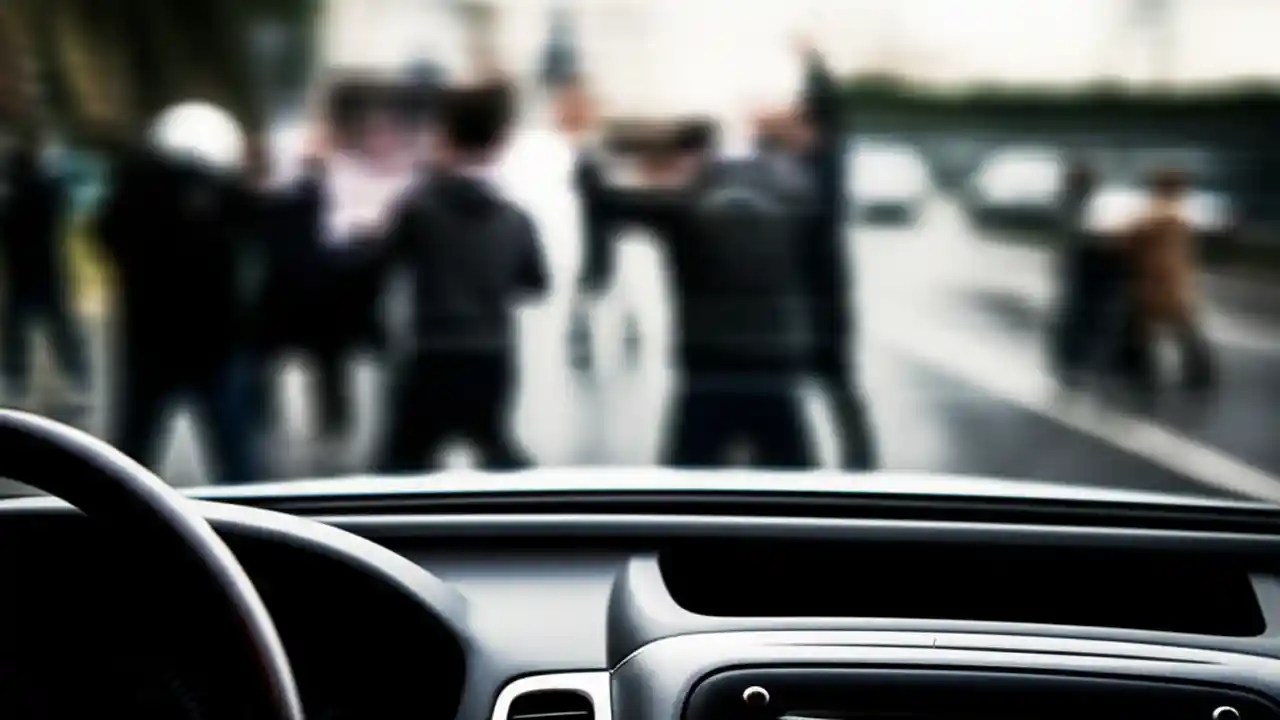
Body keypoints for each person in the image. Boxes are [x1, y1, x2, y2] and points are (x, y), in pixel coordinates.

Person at [576, 116, 820, 468]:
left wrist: (592, 149)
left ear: (684, 159)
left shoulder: (682, 206)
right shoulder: (788, 196)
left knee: (688, 485)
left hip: (709, 363)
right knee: (793, 482)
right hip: (777, 358)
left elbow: (605, 202)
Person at [377, 81, 548, 472]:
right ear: (500, 141)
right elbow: (536, 283)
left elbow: (380, 263)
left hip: (433, 351)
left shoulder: (418, 208)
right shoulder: (515, 216)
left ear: (445, 135)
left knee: (402, 467)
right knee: (494, 449)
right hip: (492, 352)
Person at [257, 78, 419, 472]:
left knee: (335, 363)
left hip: (348, 291)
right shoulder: (309, 163)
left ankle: (336, 434)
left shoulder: (376, 174)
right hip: (315, 289)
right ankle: (315, 433)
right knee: (320, 362)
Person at [94, 103, 261, 484]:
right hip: (211, 348)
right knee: (239, 465)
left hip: (155, 346)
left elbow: (106, 235)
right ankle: (257, 530)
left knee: (129, 465)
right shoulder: (223, 198)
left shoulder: (135, 195)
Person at [794, 40, 877, 470]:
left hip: (820, 293)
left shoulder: (822, 163)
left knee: (833, 383)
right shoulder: (816, 162)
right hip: (812, 291)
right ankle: (852, 467)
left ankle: (859, 470)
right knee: (823, 386)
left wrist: (815, 63)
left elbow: (829, 110)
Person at [0, 142, 88, 409]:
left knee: (49, 330)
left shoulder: (22, 192)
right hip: (36, 271)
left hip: (36, 271)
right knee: (31, 331)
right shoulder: (36, 190)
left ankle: (71, 380)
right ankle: (72, 380)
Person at [1122, 168, 1214, 391]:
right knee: (1182, 330)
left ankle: (1141, 372)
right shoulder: (1174, 213)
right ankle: (1198, 373)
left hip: (1154, 279)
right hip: (1172, 279)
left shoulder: (1153, 213)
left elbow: (1128, 241)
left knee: (1145, 328)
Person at [1049, 161, 1129, 386]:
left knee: (1080, 313)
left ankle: (1075, 359)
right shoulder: (1080, 204)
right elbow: (1085, 234)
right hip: (1088, 264)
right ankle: (1078, 360)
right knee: (1086, 314)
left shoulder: (1076, 202)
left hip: (1085, 265)